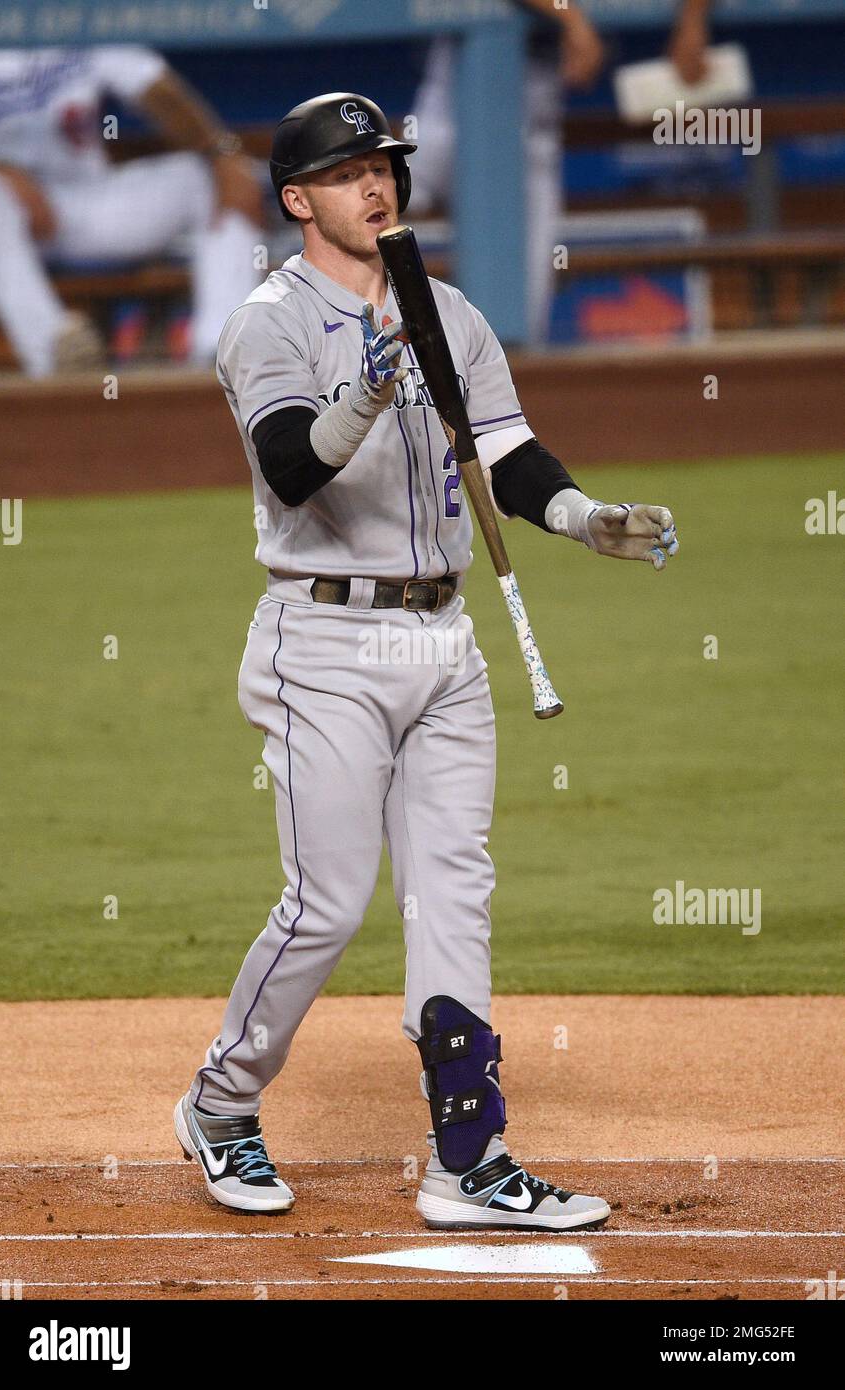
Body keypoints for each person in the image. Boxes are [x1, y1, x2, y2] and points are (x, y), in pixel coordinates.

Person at [174, 92, 679, 1231]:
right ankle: (220, 1103)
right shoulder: (269, 321)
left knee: (455, 894)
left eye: (386, 164)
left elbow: (499, 445)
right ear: (299, 199)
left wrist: (577, 513)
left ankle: (469, 1156)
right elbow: (293, 466)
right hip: (325, 644)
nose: (377, 184)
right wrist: (372, 376)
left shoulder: (446, 310)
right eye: (350, 170)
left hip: (443, 642)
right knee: (327, 902)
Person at [409, 0, 713, 343]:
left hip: (536, 123)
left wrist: (692, 22)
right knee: (379, 208)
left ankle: (494, 382)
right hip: (453, 104)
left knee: (524, 312)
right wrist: (574, 20)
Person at [0, 45, 265, 375]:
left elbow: (155, 88)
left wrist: (223, 154)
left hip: (84, 207)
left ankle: (221, 349)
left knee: (212, 178)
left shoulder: (69, 22)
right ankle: (55, 351)